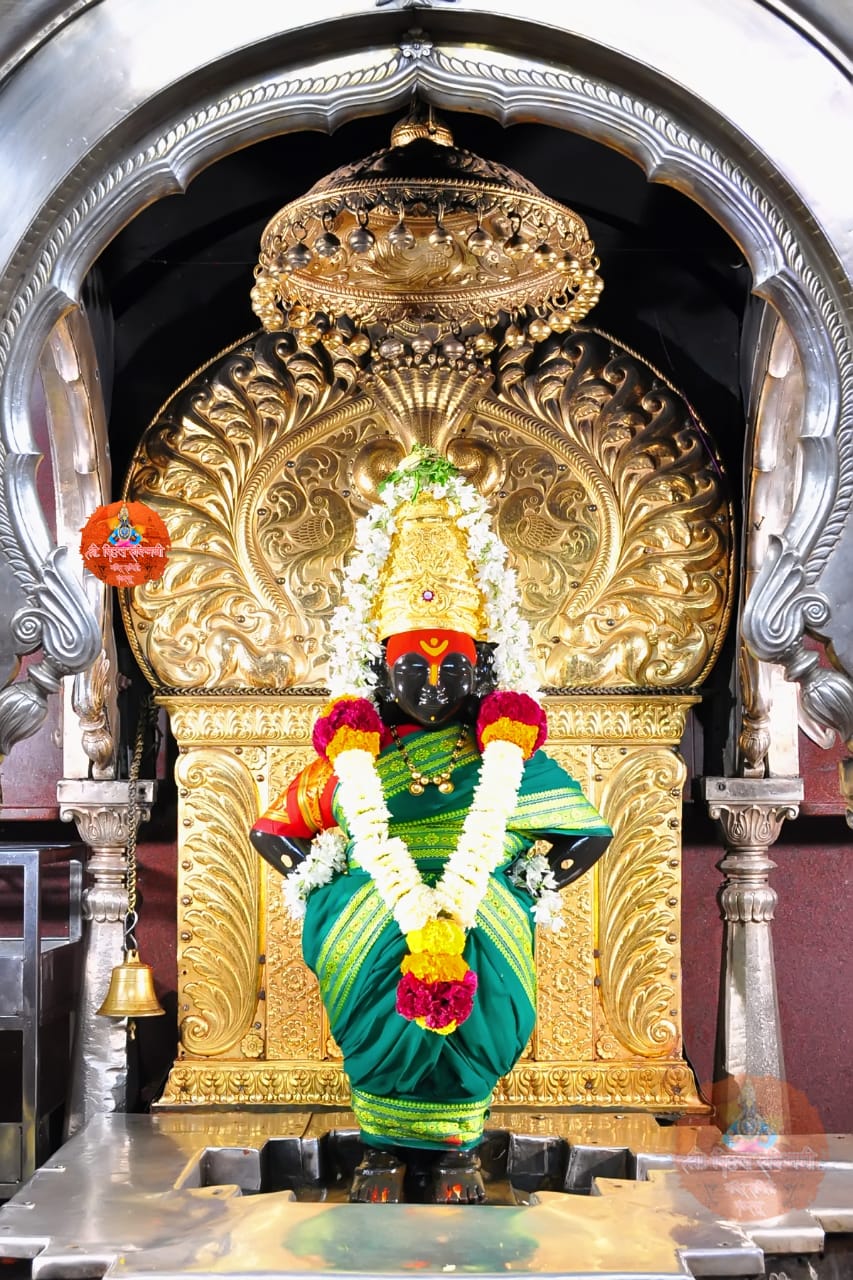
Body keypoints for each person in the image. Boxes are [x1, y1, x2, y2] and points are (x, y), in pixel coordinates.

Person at [251, 448, 611, 1204]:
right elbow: (272, 830)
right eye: (414, 666)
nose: (434, 681)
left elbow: (587, 834)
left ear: (482, 672)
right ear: (380, 672)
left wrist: (522, 882)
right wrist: (326, 886)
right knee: (376, 1034)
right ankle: (381, 1154)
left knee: (481, 1027)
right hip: (370, 919)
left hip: (483, 911)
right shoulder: (355, 761)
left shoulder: (506, 762)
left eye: (452, 668)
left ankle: (457, 1154)